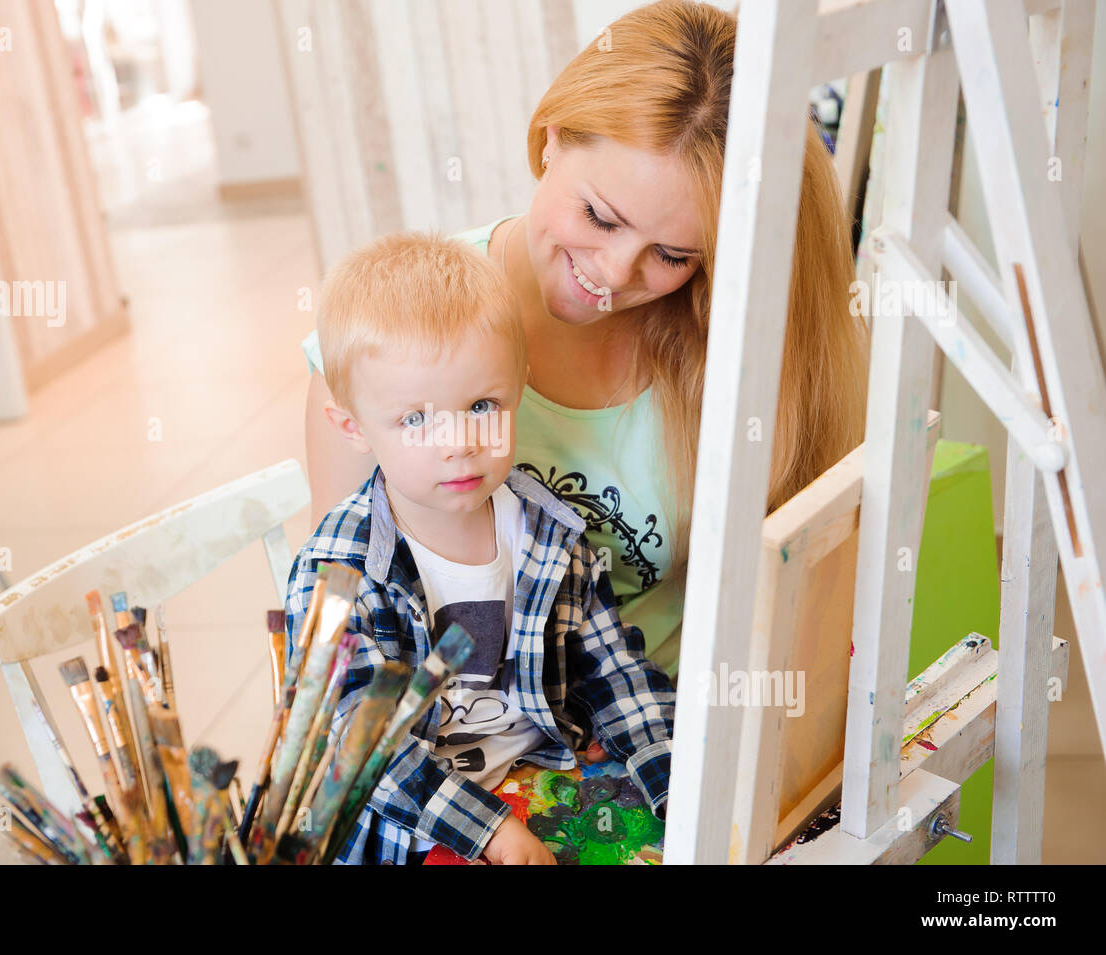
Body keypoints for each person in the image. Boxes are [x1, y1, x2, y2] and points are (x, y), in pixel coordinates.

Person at [300, 0, 870, 688]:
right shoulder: (385, 345)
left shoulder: (723, 330)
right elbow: (344, 622)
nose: (615, 272)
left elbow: (800, 597)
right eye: (599, 216)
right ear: (552, 138)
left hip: (658, 710)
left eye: (672, 253)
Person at [285, 232, 677, 864]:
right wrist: (488, 830)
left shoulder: (549, 530)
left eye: (482, 405)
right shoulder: (337, 570)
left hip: (540, 778)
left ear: (520, 386)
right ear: (353, 427)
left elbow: (615, 670)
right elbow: (357, 747)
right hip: (405, 824)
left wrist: (673, 780)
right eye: (416, 419)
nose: (460, 443)